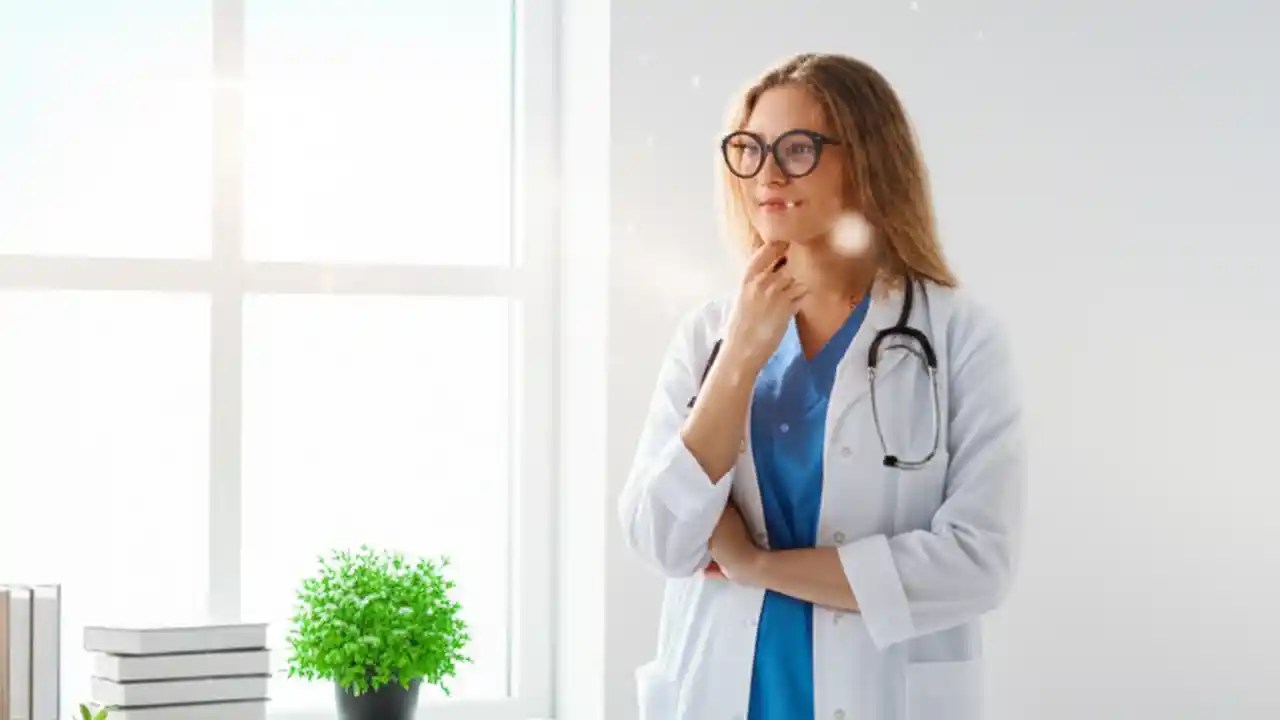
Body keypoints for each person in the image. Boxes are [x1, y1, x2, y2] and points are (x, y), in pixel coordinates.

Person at [618, 52, 1028, 720]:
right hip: (725, 691)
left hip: (879, 694)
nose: (768, 173)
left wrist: (757, 566)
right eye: (750, 148)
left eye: (798, 148)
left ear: (867, 160)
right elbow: (660, 537)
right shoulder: (709, 336)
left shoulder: (961, 338)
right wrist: (739, 357)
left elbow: (978, 562)